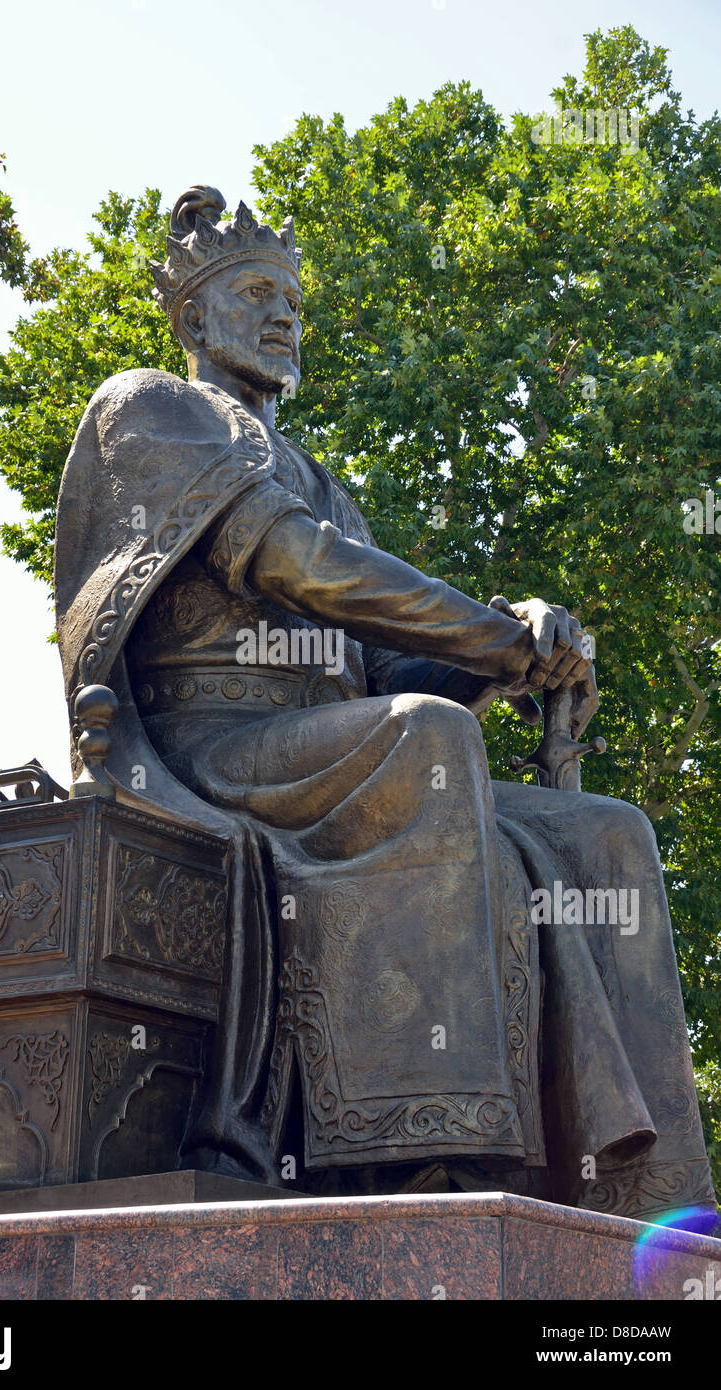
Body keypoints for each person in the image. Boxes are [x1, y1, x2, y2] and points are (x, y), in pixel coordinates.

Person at [55, 187, 715, 1221]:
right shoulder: (152, 408)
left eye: (296, 303)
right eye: (259, 293)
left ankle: (642, 1198)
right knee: (428, 744)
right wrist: (486, 632)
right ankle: (421, 1152)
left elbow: (379, 675)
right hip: (210, 747)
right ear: (193, 316)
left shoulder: (326, 480)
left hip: (330, 745)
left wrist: (519, 647)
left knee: (608, 835)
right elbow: (303, 569)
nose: (285, 318)